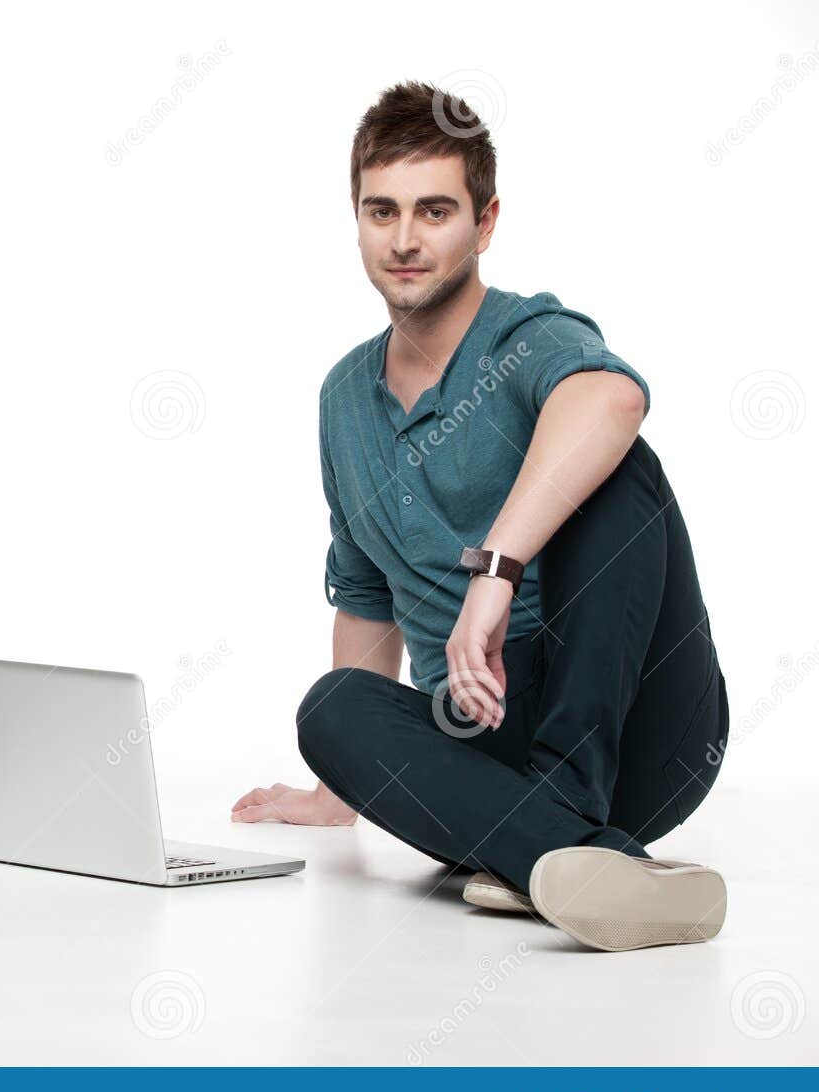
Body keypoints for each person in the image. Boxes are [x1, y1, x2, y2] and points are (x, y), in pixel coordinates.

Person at [230, 82, 729, 952]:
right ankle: (579, 862)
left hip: (633, 720)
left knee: (619, 469)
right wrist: (337, 790)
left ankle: (557, 822)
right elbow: (363, 593)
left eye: (434, 210)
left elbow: (612, 400)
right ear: (355, 220)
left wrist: (496, 572)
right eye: (381, 211)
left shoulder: (527, 337)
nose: (406, 238)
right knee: (330, 709)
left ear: (485, 221)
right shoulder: (343, 398)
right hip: (485, 734)